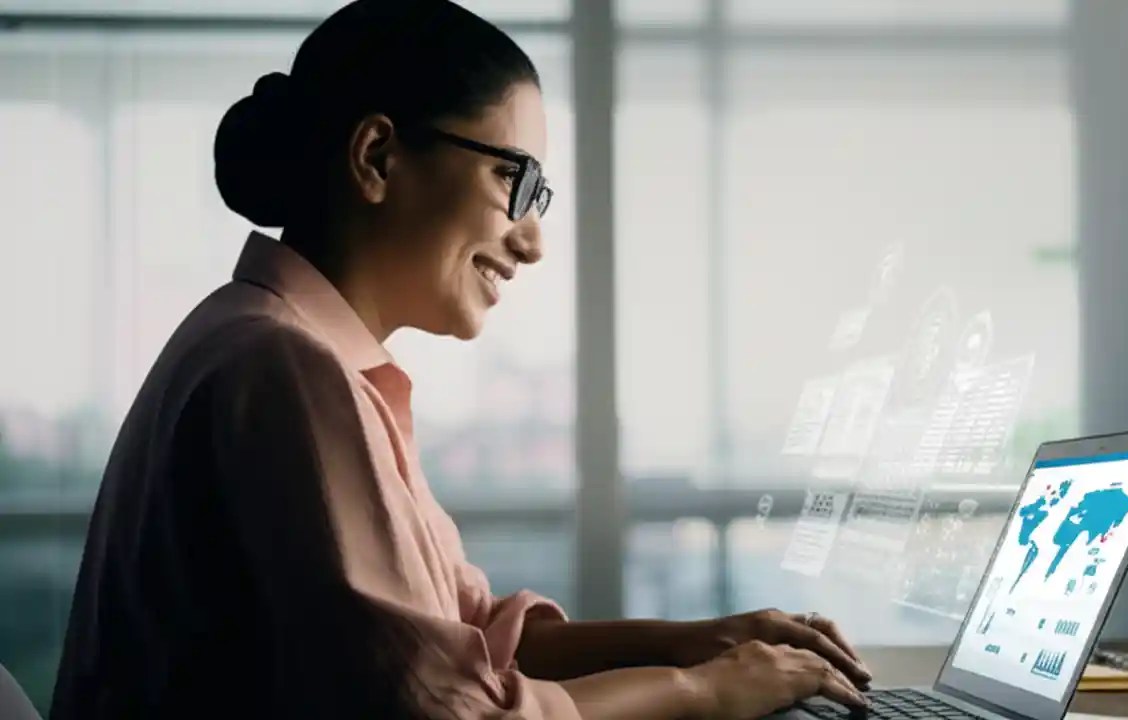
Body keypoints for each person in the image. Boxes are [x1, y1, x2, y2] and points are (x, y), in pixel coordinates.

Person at [49, 1, 872, 718]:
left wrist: (698, 642)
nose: (533, 238)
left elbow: (464, 635)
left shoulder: (279, 345)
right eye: (515, 181)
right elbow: (450, 709)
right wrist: (707, 693)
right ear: (377, 158)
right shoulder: (284, 367)